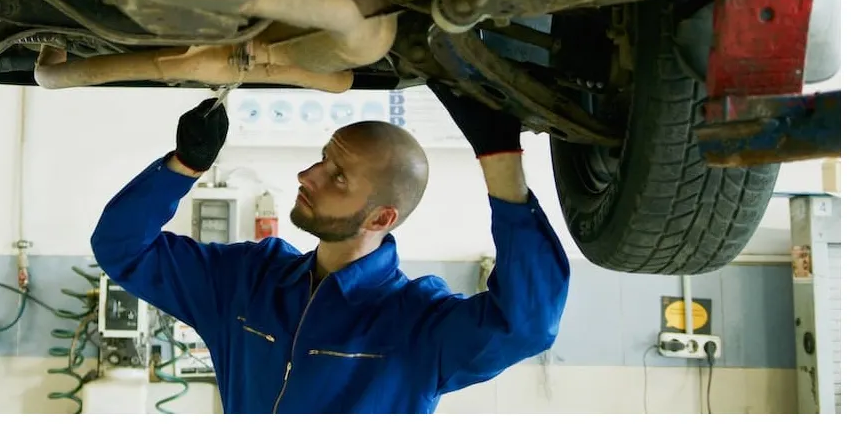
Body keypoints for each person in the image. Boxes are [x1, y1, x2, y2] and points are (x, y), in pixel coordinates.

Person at [91, 86, 570, 414]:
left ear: (382, 218)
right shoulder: (247, 281)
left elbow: (526, 325)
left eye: (337, 176)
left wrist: (501, 163)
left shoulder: (417, 325)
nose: (307, 176)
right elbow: (121, 248)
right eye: (323, 159)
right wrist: (183, 166)